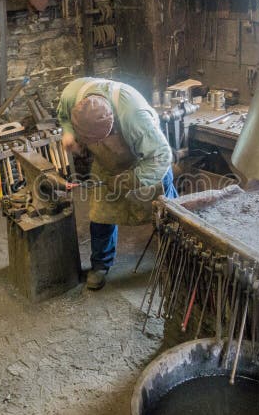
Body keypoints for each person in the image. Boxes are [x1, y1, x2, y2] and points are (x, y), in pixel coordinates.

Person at [57, 77, 178, 290]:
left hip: (145, 160)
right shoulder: (72, 95)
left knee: (169, 213)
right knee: (100, 214)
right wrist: (68, 133)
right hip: (107, 162)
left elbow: (161, 156)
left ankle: (176, 255)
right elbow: (63, 116)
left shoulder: (134, 116)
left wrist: (130, 180)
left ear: (112, 123)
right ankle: (101, 264)